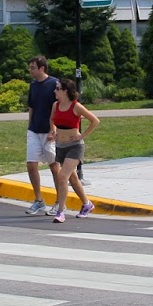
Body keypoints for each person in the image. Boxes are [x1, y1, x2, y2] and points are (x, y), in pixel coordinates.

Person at [48, 77, 100, 223]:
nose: (55, 91)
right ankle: (87, 204)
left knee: (62, 177)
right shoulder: (55, 105)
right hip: (60, 146)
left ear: (65, 91)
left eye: (57, 89)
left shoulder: (76, 106)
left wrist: (82, 136)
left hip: (75, 147)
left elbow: (95, 121)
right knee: (72, 177)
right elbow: (52, 120)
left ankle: (60, 212)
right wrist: (53, 131)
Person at [23, 55, 60, 215]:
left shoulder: (54, 84)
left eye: (32, 67)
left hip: (49, 131)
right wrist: (30, 124)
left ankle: (60, 201)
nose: (30, 70)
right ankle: (38, 200)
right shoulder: (33, 85)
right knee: (31, 165)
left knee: (54, 166)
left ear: (41, 68)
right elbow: (31, 106)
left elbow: (59, 107)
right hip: (34, 130)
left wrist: (55, 129)